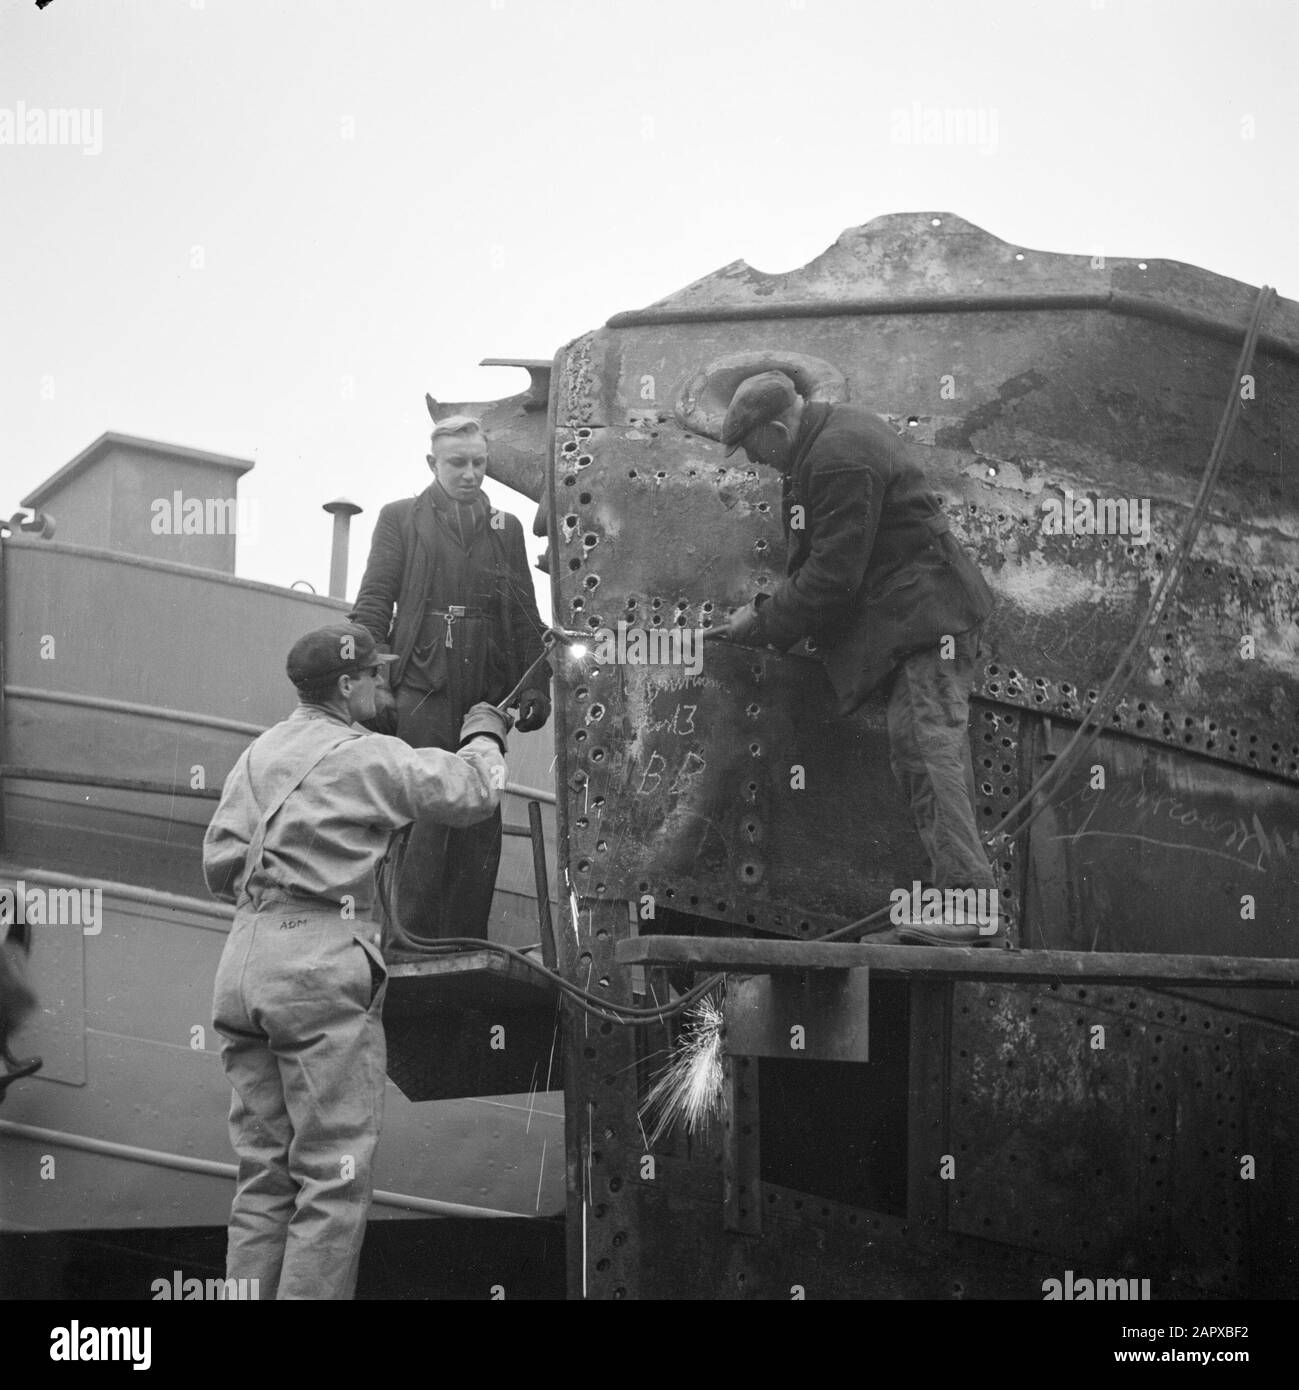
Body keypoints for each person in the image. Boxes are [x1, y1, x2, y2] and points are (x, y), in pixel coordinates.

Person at [204, 622, 511, 1298]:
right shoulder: (364, 754)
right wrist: (485, 734)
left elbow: (218, 864)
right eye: (374, 674)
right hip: (315, 965)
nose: (384, 682)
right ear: (346, 685)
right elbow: (470, 793)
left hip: (243, 961)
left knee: (263, 1176)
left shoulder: (258, 754)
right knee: (331, 1174)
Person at [706, 371, 998, 946]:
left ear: (776, 427)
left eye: (752, 446)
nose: (754, 461)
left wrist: (762, 621)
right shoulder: (834, 435)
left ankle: (968, 909)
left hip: (926, 623)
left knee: (927, 754)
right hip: (920, 620)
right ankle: (959, 900)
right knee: (923, 755)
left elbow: (834, 575)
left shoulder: (837, 456)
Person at [348, 415, 550, 940]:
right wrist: (367, 680)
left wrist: (535, 684)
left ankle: (465, 940)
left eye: (479, 463)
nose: (470, 474)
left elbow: (527, 613)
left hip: (485, 696)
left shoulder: (506, 528)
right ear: (432, 464)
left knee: (480, 816)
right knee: (423, 814)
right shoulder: (399, 519)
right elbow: (374, 601)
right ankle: (407, 942)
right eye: (457, 463)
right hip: (420, 687)